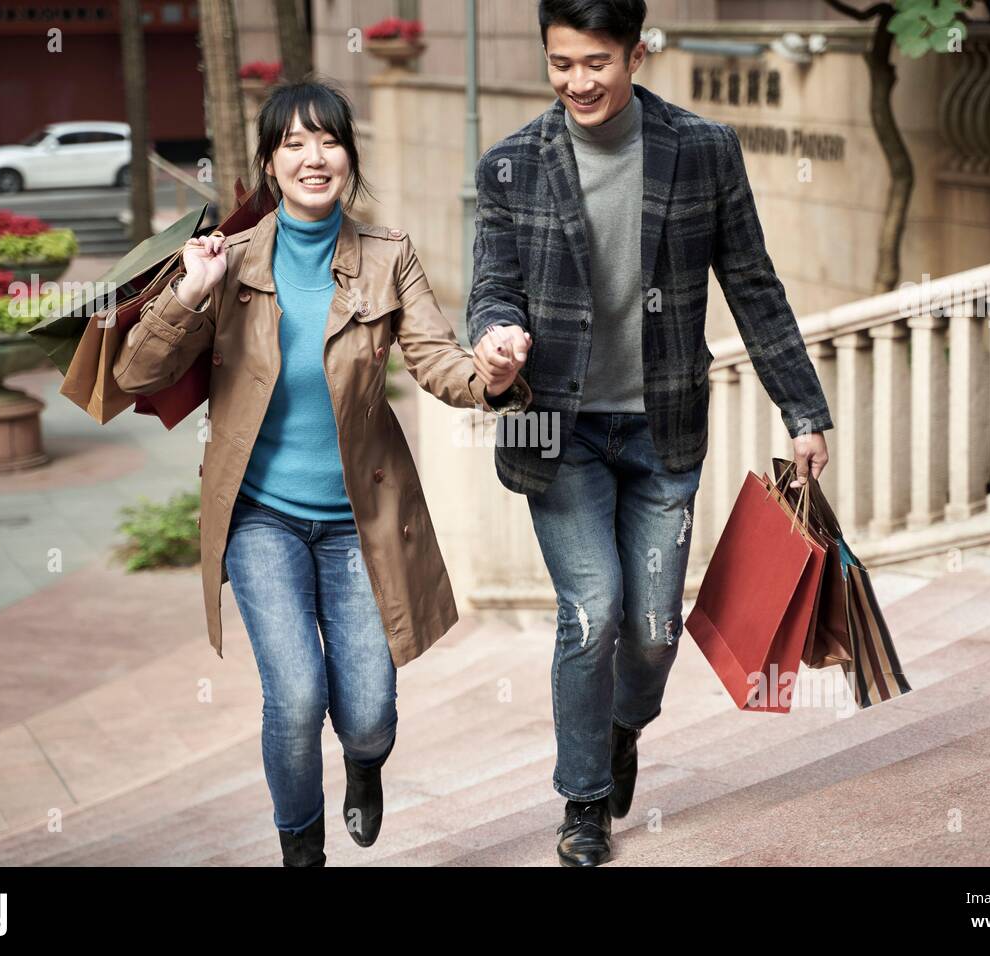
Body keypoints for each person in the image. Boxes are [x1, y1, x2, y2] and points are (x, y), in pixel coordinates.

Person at [113, 78, 532, 866]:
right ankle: (300, 847)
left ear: (350, 156)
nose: (314, 157)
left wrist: (494, 372)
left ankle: (365, 766)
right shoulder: (225, 262)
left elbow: (442, 364)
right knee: (297, 696)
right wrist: (189, 295)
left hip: (357, 521)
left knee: (369, 715)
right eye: (294, 144)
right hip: (260, 516)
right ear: (270, 164)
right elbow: (136, 372)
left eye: (329, 141)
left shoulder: (389, 256)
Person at [467, 0, 833, 866]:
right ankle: (584, 800)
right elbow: (491, 287)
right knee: (592, 614)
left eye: (595, 62)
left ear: (636, 52)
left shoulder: (701, 149)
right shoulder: (511, 165)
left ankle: (624, 726)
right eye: (561, 64)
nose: (578, 82)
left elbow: (753, 283)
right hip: (558, 430)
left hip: (662, 428)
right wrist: (495, 337)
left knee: (655, 627)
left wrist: (804, 408)